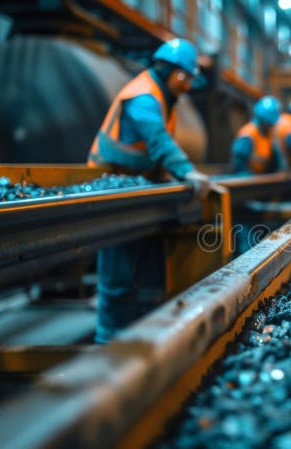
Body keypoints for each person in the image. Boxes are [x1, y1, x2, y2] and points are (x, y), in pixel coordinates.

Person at [87, 38, 211, 343]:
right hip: (111, 186)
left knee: (141, 268)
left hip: (135, 184)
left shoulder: (162, 97)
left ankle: (140, 334)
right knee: (118, 276)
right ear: (178, 74)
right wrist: (187, 172)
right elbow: (157, 141)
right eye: (188, 78)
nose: (189, 86)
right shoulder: (143, 96)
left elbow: (151, 150)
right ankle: (109, 345)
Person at [231, 96, 284, 175]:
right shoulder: (248, 135)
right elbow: (238, 166)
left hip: (263, 178)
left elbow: (275, 162)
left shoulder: (269, 134)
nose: (270, 126)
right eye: (268, 123)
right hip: (248, 181)